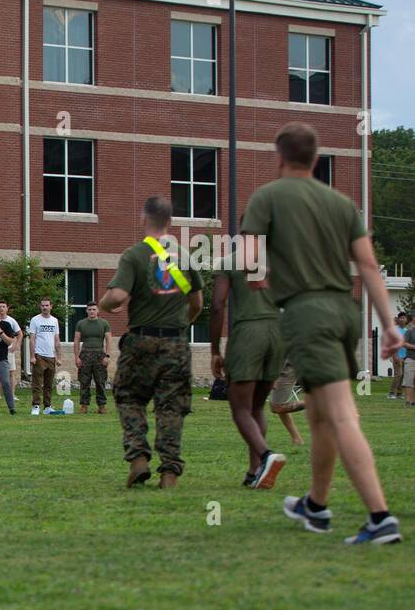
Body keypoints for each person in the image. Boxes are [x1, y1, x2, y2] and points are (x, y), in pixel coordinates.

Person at [242, 121, 402, 544]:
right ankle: (316, 504)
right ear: (315, 159)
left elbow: (250, 261)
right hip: (346, 311)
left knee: (342, 415)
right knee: (317, 415)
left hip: (307, 313)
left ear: (280, 155)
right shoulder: (342, 203)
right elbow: (368, 266)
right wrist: (387, 325)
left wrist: (262, 275)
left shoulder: (268, 196)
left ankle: (380, 517)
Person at [100, 195, 204, 489]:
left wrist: (106, 304)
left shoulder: (134, 255)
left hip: (141, 341)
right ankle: (169, 472)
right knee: (171, 407)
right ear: (170, 222)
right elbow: (197, 302)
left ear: (143, 219)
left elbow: (118, 296)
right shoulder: (184, 256)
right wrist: (181, 324)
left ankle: (138, 460)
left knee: (129, 397)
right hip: (177, 343)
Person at [210, 246, 288, 489]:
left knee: (240, 408)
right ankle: (254, 472)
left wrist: (214, 350)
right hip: (278, 333)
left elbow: (217, 305)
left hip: (248, 332)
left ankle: (266, 456)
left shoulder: (230, 262)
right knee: (257, 407)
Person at [73, 302, 111, 414]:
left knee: (100, 381)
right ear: (86, 311)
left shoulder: (104, 323)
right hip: (85, 354)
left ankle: (102, 405)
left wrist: (107, 356)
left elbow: (108, 340)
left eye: (94, 309)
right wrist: (77, 357)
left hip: (99, 354)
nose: (92, 311)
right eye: (89, 309)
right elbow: (76, 340)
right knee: (84, 381)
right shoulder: (81, 323)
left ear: (98, 310)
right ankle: (84, 405)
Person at [28, 298, 60, 415]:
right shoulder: (35, 320)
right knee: (37, 382)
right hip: (39, 355)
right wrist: (32, 356)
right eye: (43, 306)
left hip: (51, 356)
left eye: (47, 305)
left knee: (48, 384)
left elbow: (56, 339)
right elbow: (32, 339)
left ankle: (47, 406)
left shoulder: (54, 321)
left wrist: (58, 356)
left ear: (51, 306)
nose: (45, 307)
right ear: (40, 307)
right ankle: (36, 406)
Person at [0, 301, 23, 389]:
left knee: (11, 372)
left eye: (4, 306)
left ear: (7, 308)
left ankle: (12, 395)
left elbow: (20, 333)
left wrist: (17, 345)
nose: (1, 308)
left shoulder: (11, 321)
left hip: (9, 350)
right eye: (0, 307)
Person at [389, 312, 409, 399]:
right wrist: (394, 356)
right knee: (398, 374)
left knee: (403, 375)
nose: (402, 319)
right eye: (400, 318)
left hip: (406, 356)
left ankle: (399, 393)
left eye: (404, 318)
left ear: (406, 320)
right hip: (397, 356)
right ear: (398, 319)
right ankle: (391, 393)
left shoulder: (407, 331)